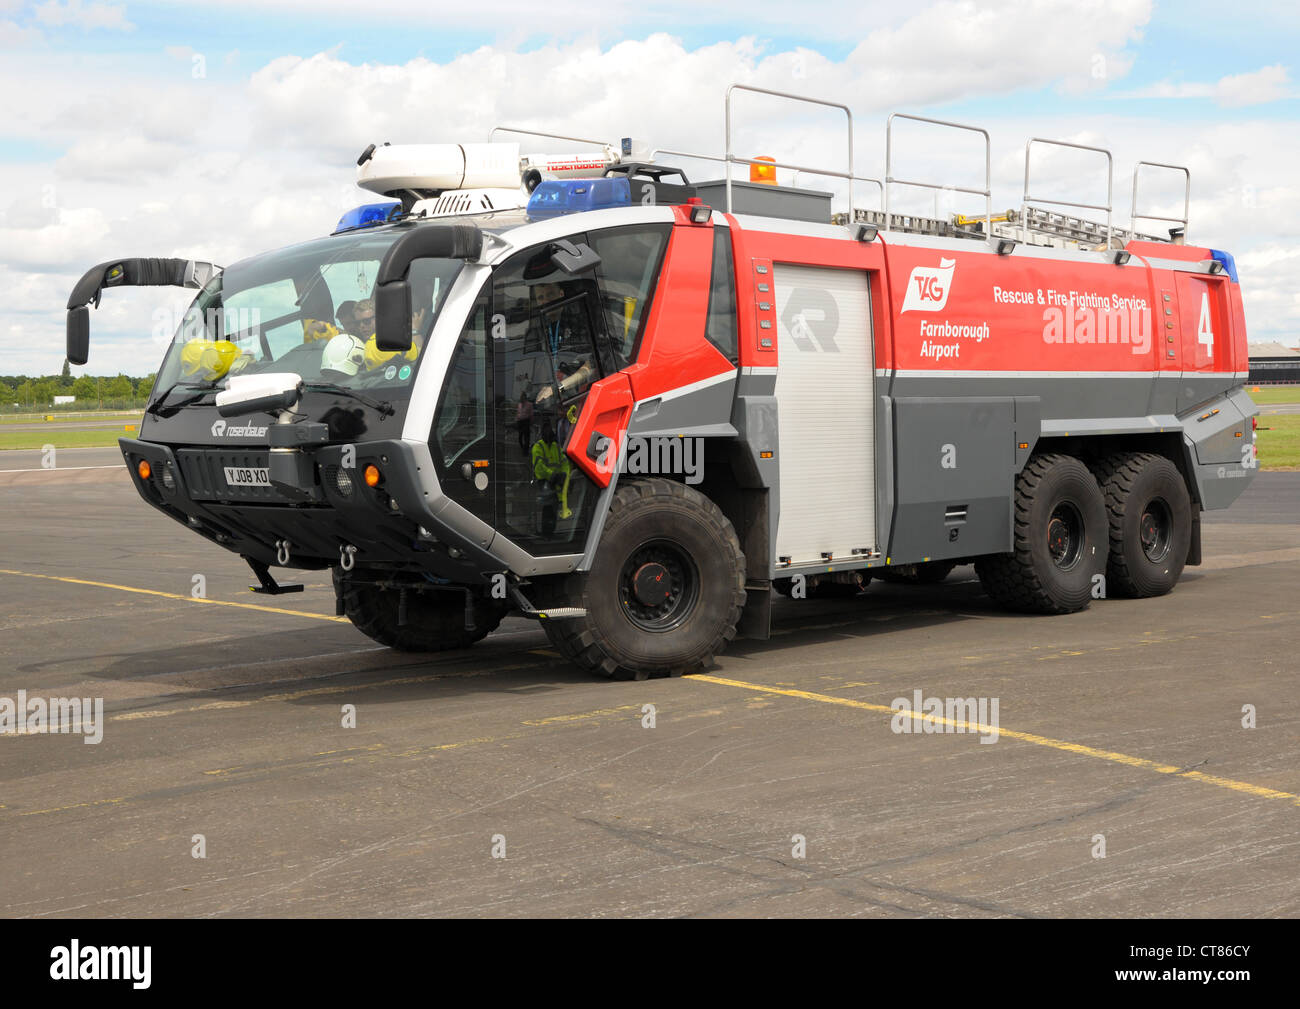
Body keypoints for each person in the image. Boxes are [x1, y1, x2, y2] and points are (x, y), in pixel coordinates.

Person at [531, 419, 572, 535]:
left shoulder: (556, 447)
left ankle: (549, 532)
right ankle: (547, 532)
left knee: (553, 508)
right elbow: (539, 467)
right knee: (548, 508)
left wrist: (564, 475)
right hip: (545, 482)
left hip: (557, 482)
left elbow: (564, 463)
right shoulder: (538, 447)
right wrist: (552, 475)